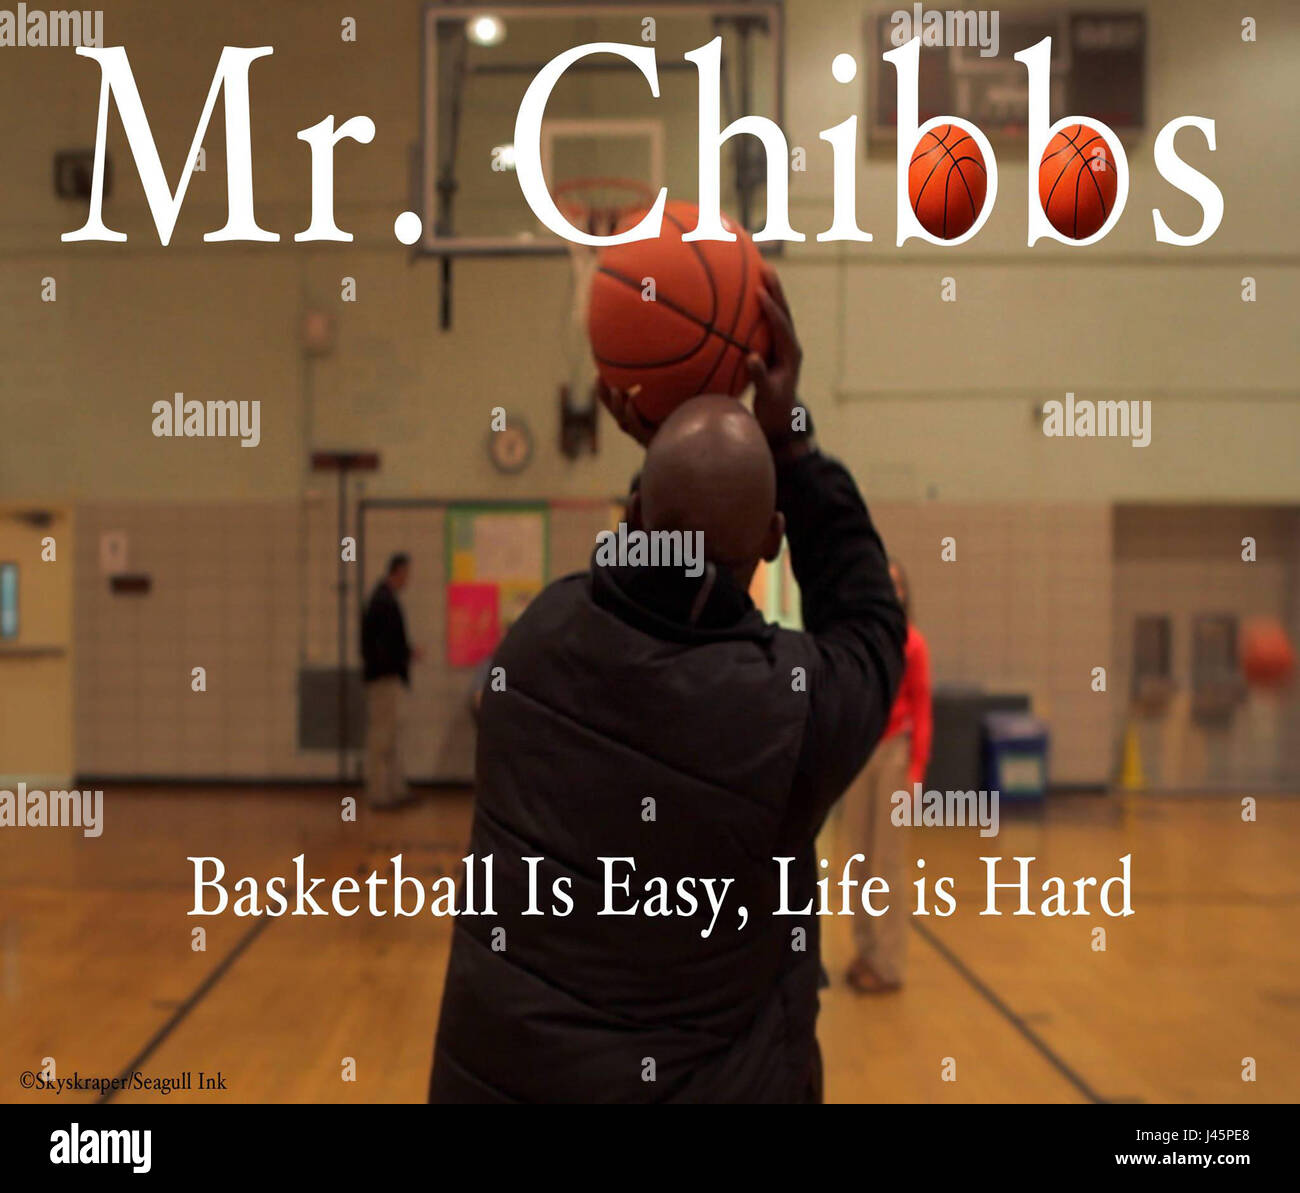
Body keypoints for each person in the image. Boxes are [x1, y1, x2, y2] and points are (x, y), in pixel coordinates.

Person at [428, 269, 906, 1103]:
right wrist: (789, 436)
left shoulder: (535, 643)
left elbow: (642, 576)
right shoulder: (791, 714)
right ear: (771, 541)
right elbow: (870, 620)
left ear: (636, 510)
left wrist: (665, 438)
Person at [842, 557, 932, 994]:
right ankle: (866, 949)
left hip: (896, 753)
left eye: (900, 585)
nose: (893, 593)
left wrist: (916, 770)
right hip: (862, 753)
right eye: (886, 584)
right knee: (857, 860)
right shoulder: (866, 642)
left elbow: (923, 708)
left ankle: (890, 963)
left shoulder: (913, 645)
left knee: (888, 862)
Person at [360, 552, 420, 808]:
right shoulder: (383, 602)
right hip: (385, 678)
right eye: (406, 573)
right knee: (383, 736)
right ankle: (379, 793)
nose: (408, 579)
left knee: (392, 735)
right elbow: (382, 646)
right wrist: (404, 655)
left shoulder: (383, 600)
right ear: (397, 571)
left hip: (387, 676)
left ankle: (393, 789)